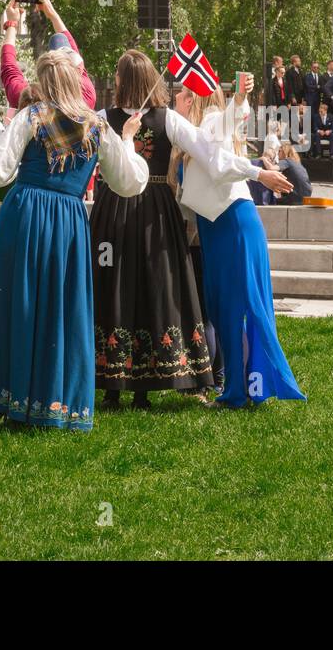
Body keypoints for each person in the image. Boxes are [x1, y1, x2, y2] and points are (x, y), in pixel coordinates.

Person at [0, 52, 150, 430]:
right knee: (61, 307)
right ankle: (54, 403)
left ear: (44, 80)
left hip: (24, 213)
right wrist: (127, 142)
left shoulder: (32, 116)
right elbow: (129, 183)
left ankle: (6, 397)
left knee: (15, 300)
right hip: (69, 221)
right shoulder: (98, 126)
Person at [86, 49, 215, 411]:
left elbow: (203, 148)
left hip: (116, 207)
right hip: (154, 210)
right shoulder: (164, 118)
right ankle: (135, 385)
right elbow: (204, 148)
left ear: (123, 80)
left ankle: (117, 385)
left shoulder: (105, 117)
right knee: (149, 284)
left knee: (117, 284)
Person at [177, 73, 303, 411]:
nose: (175, 101)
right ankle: (243, 387)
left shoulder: (209, 121)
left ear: (193, 99)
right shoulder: (199, 131)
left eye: (181, 95)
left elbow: (223, 147)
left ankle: (241, 390)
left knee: (236, 308)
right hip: (217, 225)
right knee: (223, 308)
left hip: (231, 222)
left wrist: (239, 101)